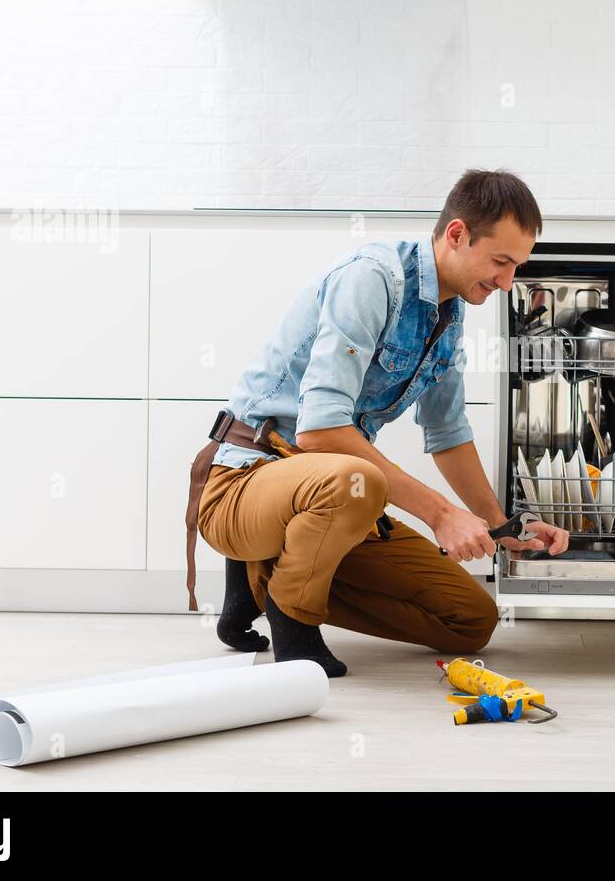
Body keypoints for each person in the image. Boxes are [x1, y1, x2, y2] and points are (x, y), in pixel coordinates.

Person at [184, 169, 569, 675]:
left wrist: (499, 528)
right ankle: (292, 618)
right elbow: (320, 432)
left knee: (470, 620)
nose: (506, 282)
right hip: (245, 480)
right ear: (456, 235)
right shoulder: (371, 278)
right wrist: (441, 515)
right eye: (500, 261)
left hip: (327, 494)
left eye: (516, 266)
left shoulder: (449, 315)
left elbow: (449, 435)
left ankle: (263, 577)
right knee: (356, 477)